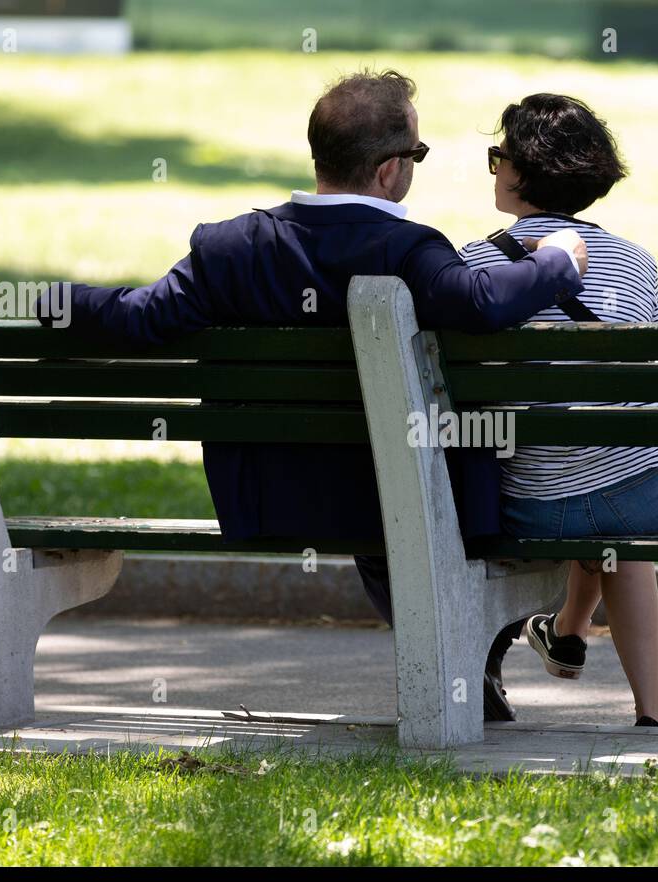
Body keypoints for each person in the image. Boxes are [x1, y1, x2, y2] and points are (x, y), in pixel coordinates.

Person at [33, 70, 588, 704]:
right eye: (417, 154)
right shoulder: (407, 251)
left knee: (381, 492)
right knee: (419, 475)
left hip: (274, 499)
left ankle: (461, 667)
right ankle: (464, 661)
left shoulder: (231, 248)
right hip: (399, 496)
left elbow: (137, 318)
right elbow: (483, 301)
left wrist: (48, 301)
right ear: (388, 170)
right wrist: (557, 260)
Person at [459, 93, 658, 728]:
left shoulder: (475, 267)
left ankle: (568, 630)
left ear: (522, 171)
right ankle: (651, 704)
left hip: (528, 502)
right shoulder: (636, 262)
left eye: (499, 156)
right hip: (638, 499)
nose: (495, 168)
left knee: (581, 463)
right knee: (617, 477)